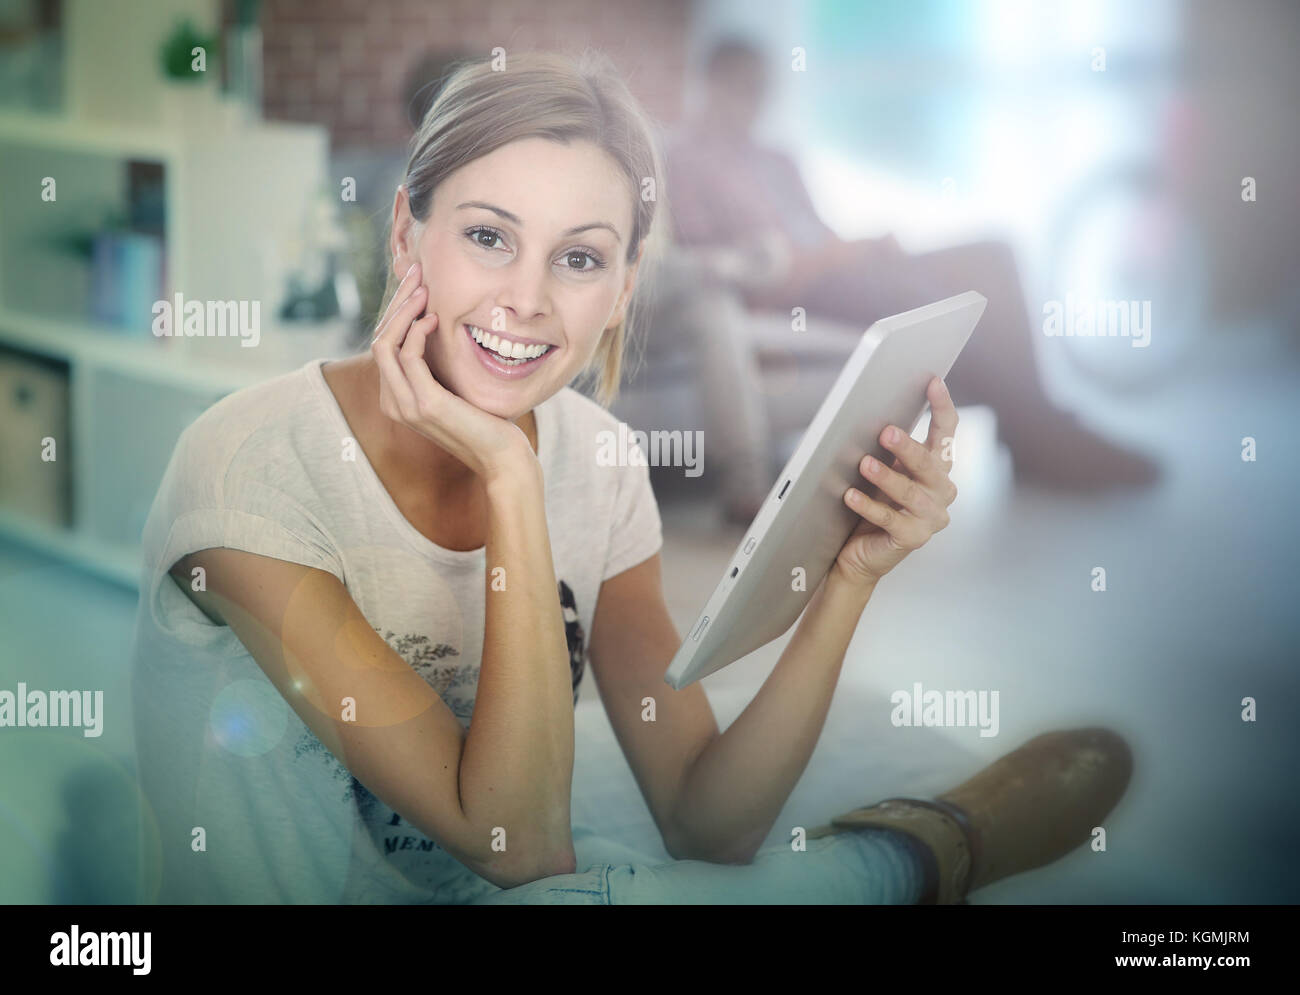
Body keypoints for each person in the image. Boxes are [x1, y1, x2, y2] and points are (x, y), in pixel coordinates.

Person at [128, 50, 1131, 905]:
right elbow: (518, 843)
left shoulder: (600, 466)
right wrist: (514, 482)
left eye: (578, 258)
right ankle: (915, 852)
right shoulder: (250, 469)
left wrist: (848, 578)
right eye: (487, 236)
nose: (524, 299)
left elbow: (705, 815)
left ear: (622, 288)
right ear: (406, 237)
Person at [664, 36, 1161, 519]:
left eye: (760, 88)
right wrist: (840, 254)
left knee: (992, 254)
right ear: (709, 84)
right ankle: (1046, 438)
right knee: (937, 299)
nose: (752, 101)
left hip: (846, 266)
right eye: (741, 86)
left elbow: (821, 231)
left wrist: (863, 246)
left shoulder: (778, 159)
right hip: (798, 290)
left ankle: (1034, 428)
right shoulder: (685, 161)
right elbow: (722, 264)